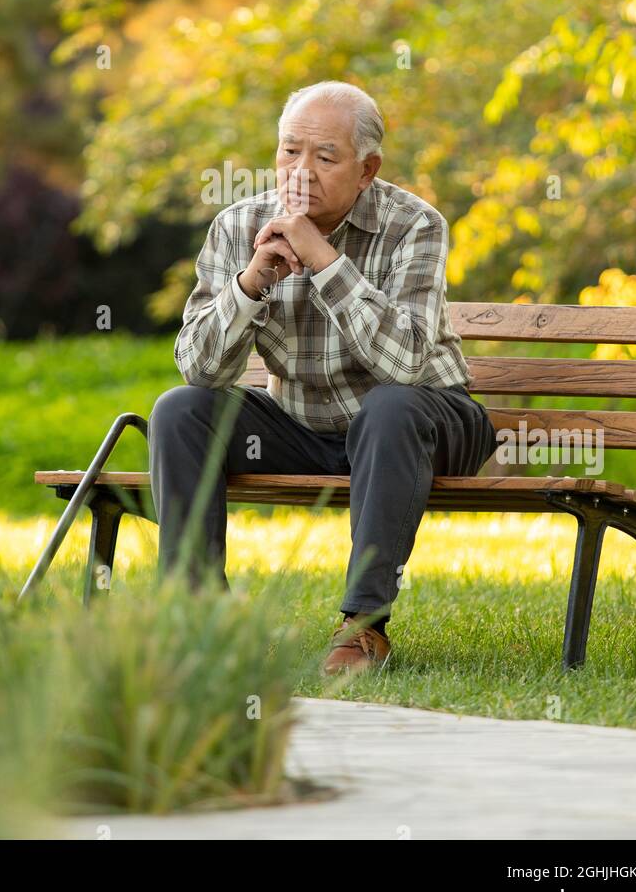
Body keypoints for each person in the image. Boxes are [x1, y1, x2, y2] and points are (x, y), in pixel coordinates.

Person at [148, 80, 498, 674]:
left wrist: (323, 260)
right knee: (180, 409)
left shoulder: (415, 225)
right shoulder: (240, 226)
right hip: (301, 426)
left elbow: (405, 365)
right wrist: (250, 285)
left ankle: (362, 629)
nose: (300, 171)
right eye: (290, 151)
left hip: (426, 425)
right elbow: (202, 369)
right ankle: (197, 620)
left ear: (367, 170)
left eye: (324, 157)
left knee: (389, 407)